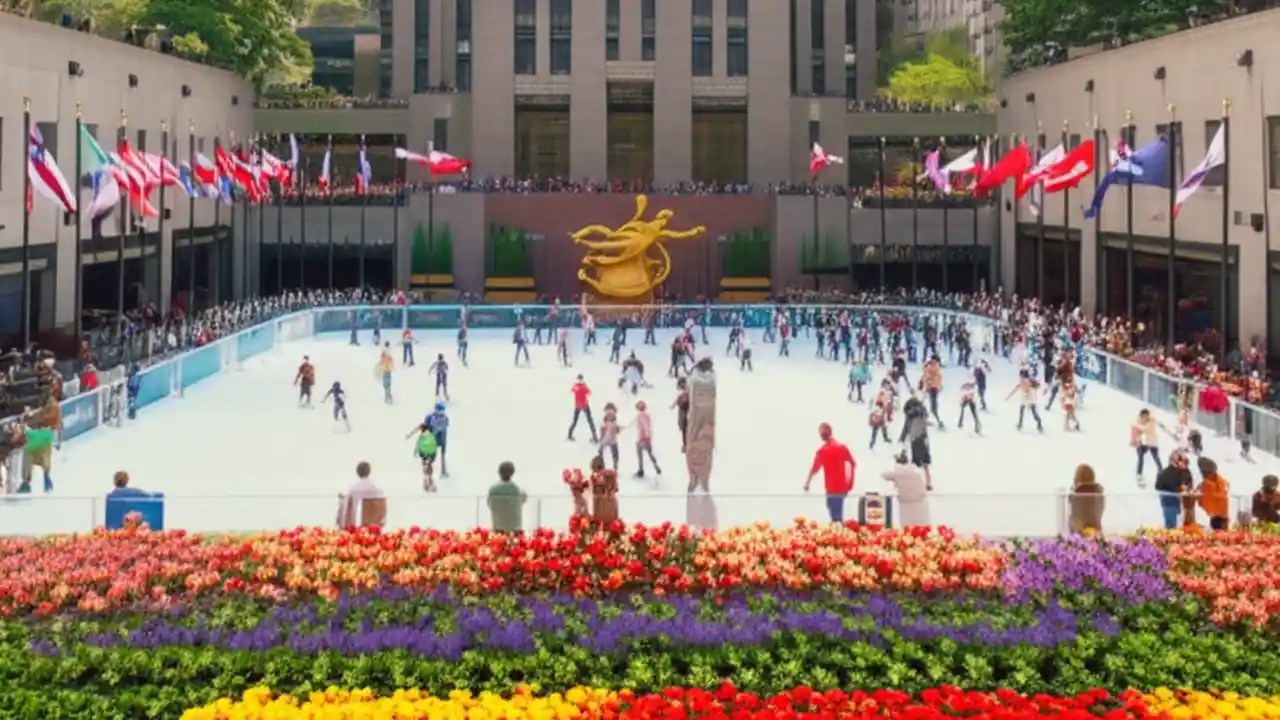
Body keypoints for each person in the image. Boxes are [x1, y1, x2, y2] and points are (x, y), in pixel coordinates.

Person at [804, 423, 856, 523]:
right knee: (838, 514)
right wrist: (849, 484)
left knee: (834, 515)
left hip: (831, 488)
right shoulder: (842, 448)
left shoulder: (822, 451)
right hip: (842, 487)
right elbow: (852, 464)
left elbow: (814, 469)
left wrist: (807, 483)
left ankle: (838, 534)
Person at [881, 449, 929, 527]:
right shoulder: (915, 472)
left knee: (908, 527)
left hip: (906, 503)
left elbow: (884, 475)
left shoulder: (897, 473)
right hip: (920, 501)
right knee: (921, 525)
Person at [898, 392, 933, 491]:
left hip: (915, 440)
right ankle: (928, 483)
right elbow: (925, 423)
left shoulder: (910, 415)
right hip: (922, 438)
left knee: (916, 463)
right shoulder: (922, 412)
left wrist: (902, 438)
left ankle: (916, 483)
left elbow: (906, 428)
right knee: (925, 464)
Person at [336, 461, 386, 528]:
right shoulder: (379, 489)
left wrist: (341, 524)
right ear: (369, 471)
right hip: (376, 526)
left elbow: (346, 510)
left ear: (358, 472)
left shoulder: (353, 488)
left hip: (359, 526)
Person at [1154, 450, 1193, 529]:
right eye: (1181, 461)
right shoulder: (1166, 473)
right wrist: (1180, 488)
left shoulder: (1184, 471)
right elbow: (1160, 485)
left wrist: (1186, 486)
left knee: (1182, 525)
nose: (1183, 464)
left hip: (1182, 503)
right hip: (1170, 502)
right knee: (1171, 526)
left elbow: (1188, 481)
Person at [487, 461, 526, 533]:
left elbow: (489, 504)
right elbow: (523, 500)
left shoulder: (493, 490)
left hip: (498, 529)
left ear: (499, 472)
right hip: (515, 529)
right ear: (512, 473)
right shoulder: (518, 491)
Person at [1068, 464, 1105, 535]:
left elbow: (1075, 516)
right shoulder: (1099, 492)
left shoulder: (1077, 494)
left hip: (1080, 532)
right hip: (1096, 531)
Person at [405, 420, 440, 492]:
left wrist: (416, 451)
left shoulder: (422, 436)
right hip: (432, 451)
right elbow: (435, 442)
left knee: (425, 464)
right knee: (430, 464)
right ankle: (430, 478)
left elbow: (418, 443)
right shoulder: (431, 434)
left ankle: (426, 479)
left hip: (424, 452)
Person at [1195, 457, 1229, 531]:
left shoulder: (1206, 484)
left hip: (1212, 516)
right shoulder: (1222, 482)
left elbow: (1201, 498)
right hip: (1222, 515)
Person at [1132, 409, 1161, 487]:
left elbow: (1146, 429)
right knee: (1140, 457)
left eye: (1145, 417)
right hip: (1142, 441)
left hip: (1151, 441)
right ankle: (1139, 473)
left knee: (1156, 458)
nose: (1144, 419)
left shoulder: (1151, 422)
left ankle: (1160, 472)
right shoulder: (1138, 422)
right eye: (1142, 417)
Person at [632, 400, 661, 478]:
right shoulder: (647, 416)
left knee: (640, 454)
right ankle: (656, 466)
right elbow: (648, 427)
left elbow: (645, 427)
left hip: (641, 438)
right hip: (644, 438)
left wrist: (646, 437)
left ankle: (641, 469)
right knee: (649, 453)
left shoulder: (640, 416)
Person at [567, 375, 598, 443]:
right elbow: (589, 392)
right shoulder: (583, 387)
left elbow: (572, 390)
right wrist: (584, 385)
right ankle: (595, 437)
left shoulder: (575, 386)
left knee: (574, 421)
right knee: (590, 421)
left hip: (577, 405)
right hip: (584, 405)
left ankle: (569, 435)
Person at [424, 402, 450, 478]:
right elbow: (431, 428)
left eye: (443, 410)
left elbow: (446, 424)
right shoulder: (432, 418)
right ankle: (428, 469)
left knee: (443, 455)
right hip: (434, 439)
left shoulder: (444, 417)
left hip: (442, 439)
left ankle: (443, 471)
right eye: (440, 410)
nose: (442, 412)